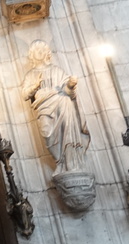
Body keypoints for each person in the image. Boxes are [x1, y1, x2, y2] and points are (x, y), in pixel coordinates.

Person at [21, 40, 90, 174]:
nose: (39, 53)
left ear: (47, 53)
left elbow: (67, 91)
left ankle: (68, 163)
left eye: (42, 50)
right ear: (32, 55)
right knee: (46, 132)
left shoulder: (57, 70)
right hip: (43, 107)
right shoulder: (30, 75)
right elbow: (24, 95)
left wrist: (70, 84)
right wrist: (35, 86)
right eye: (36, 51)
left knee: (67, 131)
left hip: (62, 103)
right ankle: (59, 160)